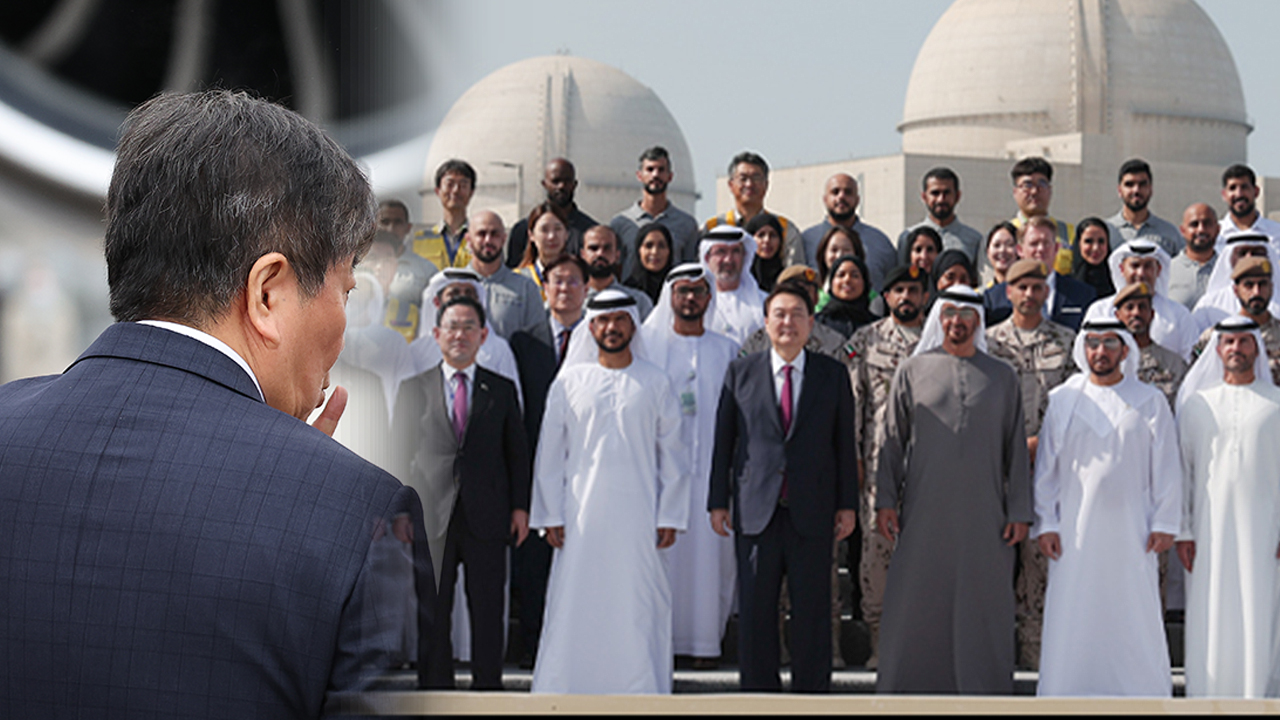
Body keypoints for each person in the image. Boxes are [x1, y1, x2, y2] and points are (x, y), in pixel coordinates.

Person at [0, 90, 433, 717]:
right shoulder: (361, 515)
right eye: (346, 289)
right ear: (267, 293)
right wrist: (307, 486)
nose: (348, 321)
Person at [530, 290, 689, 694]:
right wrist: (550, 515)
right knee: (575, 603)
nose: (612, 327)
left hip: (640, 518)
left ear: (633, 325)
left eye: (620, 319)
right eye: (603, 320)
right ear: (591, 326)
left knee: (636, 602)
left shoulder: (656, 381)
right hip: (580, 520)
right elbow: (549, 455)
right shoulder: (569, 381)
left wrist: (670, 515)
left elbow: (673, 456)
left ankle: (639, 690)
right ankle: (566, 688)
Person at [876, 285, 1032, 694]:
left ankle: (984, 689)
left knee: (983, 602)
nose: (956, 322)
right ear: (938, 319)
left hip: (987, 514)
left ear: (979, 320)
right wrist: (886, 501)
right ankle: (909, 688)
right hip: (924, 510)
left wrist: (1019, 510)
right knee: (917, 600)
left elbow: (1015, 445)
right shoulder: (912, 370)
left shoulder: (1003, 375)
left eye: (966, 315)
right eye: (949, 314)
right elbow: (891, 439)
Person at [710, 284, 858, 692]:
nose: (788, 322)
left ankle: (811, 695)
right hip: (756, 510)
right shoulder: (741, 372)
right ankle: (759, 694)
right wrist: (717, 501)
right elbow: (724, 441)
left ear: (812, 322)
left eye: (797, 314)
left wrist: (847, 505)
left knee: (812, 610)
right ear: (766, 321)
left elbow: (844, 444)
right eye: (779, 314)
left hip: (812, 509)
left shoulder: (832, 374)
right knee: (757, 610)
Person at [1032, 319, 1180, 696]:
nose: (1100, 351)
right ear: (1083, 347)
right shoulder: (1064, 398)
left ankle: (1140, 694)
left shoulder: (1150, 400)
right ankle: (1067, 691)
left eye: (1109, 343)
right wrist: (1046, 522)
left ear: (1125, 349)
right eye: (1093, 342)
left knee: (1133, 612)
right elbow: (1046, 468)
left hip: (1134, 533)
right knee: (1073, 612)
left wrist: (1165, 520)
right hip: (1073, 535)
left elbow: (1166, 467)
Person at [393, 296, 530, 691]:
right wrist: (399, 511)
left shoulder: (501, 390)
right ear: (436, 335)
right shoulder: (412, 388)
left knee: (488, 608)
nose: (460, 335)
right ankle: (435, 689)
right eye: (452, 326)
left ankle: (489, 687)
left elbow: (517, 453)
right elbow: (399, 450)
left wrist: (520, 508)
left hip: (488, 515)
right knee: (432, 608)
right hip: (429, 516)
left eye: (469, 326)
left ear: (483, 335)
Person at [641, 264, 739, 669]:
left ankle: (704, 646)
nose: (690, 299)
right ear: (670, 297)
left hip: (712, 479)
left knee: (711, 563)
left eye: (699, 292)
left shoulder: (727, 349)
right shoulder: (649, 346)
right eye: (682, 291)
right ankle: (661, 644)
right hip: (661, 476)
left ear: (709, 298)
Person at [1177, 316, 1280, 698]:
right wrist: (1184, 530)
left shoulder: (1277, 405)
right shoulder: (1197, 406)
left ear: (1256, 347)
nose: (1236, 349)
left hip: (1265, 534)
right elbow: (1183, 473)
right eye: (1229, 342)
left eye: (1244, 341)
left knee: (1261, 609)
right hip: (1208, 533)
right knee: (1211, 611)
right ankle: (1209, 694)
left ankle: (1261, 695)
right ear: (1218, 350)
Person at [985, 258, 1078, 669]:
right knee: (994, 563)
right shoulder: (987, 341)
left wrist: (1043, 441)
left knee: (1041, 565)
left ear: (1046, 292)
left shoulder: (1069, 340)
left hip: (1050, 470)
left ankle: (1038, 659)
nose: (1028, 293)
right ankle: (994, 656)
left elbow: (1078, 403)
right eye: (1020, 286)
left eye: (1036, 286)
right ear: (1007, 291)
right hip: (995, 472)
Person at [505, 253, 591, 669]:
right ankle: (534, 645)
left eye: (574, 281)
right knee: (535, 560)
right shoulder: (525, 341)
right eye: (557, 281)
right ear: (545, 287)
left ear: (586, 289)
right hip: (537, 461)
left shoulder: (603, 336)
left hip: (589, 467)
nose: (565, 288)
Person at [846, 263, 927, 669]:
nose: (905, 298)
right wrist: (855, 458)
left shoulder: (940, 338)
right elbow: (853, 403)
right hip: (880, 465)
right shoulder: (866, 339)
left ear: (924, 296)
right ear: (886, 296)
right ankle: (879, 642)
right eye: (898, 291)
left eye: (913, 290)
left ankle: (922, 642)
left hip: (932, 467)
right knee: (877, 555)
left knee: (926, 555)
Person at [1083, 238, 1198, 360]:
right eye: (1135, 265)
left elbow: (1189, 361)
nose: (1141, 273)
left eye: (1148, 266)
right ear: (1121, 269)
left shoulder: (1179, 315)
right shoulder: (1100, 311)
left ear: (1158, 270)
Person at [986, 216, 1096, 330]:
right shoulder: (995, 298)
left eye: (1046, 243)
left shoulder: (1083, 294)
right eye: (1034, 243)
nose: (1041, 249)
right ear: (1019, 250)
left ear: (1056, 248)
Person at [704, 151, 805, 266]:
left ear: (766, 185)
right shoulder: (713, 227)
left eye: (756, 178)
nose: (749, 184)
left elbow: (793, 274)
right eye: (743, 178)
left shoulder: (785, 229)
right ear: (731, 185)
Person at [1190, 255, 1280, 385]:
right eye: (1249, 285)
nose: (1256, 292)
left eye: (1262, 284)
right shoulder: (1214, 337)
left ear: (1271, 288)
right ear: (1236, 291)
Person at [610, 146, 699, 275]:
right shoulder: (621, 224)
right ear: (639, 176)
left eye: (661, 170)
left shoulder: (686, 224)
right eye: (650, 169)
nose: (655, 175)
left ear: (670, 176)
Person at [801, 173, 896, 290]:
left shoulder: (880, 242)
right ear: (825, 199)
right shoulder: (806, 241)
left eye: (848, 192)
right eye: (835, 192)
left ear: (857, 200)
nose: (841, 196)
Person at [464, 210, 545, 340]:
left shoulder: (526, 288)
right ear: (468, 239)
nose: (488, 240)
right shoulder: (452, 284)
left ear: (504, 239)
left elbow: (538, 341)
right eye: (481, 234)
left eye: (494, 234)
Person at [505, 158, 598, 267]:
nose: (561, 186)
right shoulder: (523, 229)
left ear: (574, 184)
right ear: (544, 184)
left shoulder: (590, 231)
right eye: (556, 181)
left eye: (567, 181)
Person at [1114, 282, 1188, 410]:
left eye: (1142, 307)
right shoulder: (1111, 363)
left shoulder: (1173, 363)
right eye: (1129, 308)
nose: (1136, 313)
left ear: (1152, 314)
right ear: (1118, 316)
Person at [1191, 233, 1280, 331]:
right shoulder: (1209, 304)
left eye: (1257, 253)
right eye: (1242, 253)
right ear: (1230, 258)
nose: (1249, 258)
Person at [898, 167, 984, 265]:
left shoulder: (974, 240)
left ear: (957, 196)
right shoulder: (907, 237)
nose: (941, 199)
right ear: (924, 197)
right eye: (935, 193)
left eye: (946, 193)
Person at [700, 225, 766, 344]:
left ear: (744, 257)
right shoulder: (695, 303)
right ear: (706, 257)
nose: (728, 260)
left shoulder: (763, 302)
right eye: (721, 252)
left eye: (735, 251)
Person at [1009, 156, 1075, 274]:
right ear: (1015, 192)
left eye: (1042, 184)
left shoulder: (1069, 233)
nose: (1034, 191)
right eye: (1027, 185)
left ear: (1050, 190)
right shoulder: (1004, 234)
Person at [1105, 158, 1183, 257]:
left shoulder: (1170, 233)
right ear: (1120, 190)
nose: (1136, 190)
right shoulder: (1107, 231)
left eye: (1142, 184)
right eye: (1129, 184)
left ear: (1150, 189)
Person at [409, 159, 475, 270]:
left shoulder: (481, 239)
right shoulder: (418, 240)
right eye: (450, 184)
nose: (455, 190)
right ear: (437, 191)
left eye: (463, 185)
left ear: (471, 192)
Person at [580, 224, 654, 318]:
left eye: (607, 248)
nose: (600, 253)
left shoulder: (639, 302)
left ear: (617, 255)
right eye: (594, 248)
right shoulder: (571, 301)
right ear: (583, 254)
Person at [1167, 202, 1220, 310]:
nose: (1201, 229)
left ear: (1218, 229)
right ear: (1182, 231)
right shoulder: (1167, 270)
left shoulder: (1229, 270)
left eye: (1207, 223)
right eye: (1194, 224)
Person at [1218, 164, 1280, 251]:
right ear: (1224, 195)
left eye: (1244, 187)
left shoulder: (1276, 232)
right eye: (1232, 188)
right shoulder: (1214, 234)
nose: (1239, 194)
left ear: (1256, 192)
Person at [516, 202, 572, 298]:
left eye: (557, 229)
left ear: (566, 234)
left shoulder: (577, 278)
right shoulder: (518, 279)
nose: (552, 236)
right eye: (544, 230)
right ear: (531, 235)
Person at [816, 255, 877, 339]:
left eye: (855, 276)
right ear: (831, 283)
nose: (847, 279)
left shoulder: (878, 327)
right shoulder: (816, 324)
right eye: (841, 275)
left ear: (865, 283)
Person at [625, 221, 675, 304]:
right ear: (639, 250)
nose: (655, 252)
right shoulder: (628, 291)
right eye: (648, 246)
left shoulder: (678, 286)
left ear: (669, 251)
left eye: (661, 246)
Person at [1070, 217, 1115, 299]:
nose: (1095, 248)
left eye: (1101, 241)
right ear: (1078, 244)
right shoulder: (1065, 285)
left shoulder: (1118, 283)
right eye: (1088, 241)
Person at [745, 211, 786, 292]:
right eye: (761, 235)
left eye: (773, 235)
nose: (767, 240)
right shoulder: (741, 279)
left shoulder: (786, 279)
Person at [815, 225, 865, 291]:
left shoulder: (872, 298)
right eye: (834, 250)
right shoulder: (814, 295)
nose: (839, 255)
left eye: (846, 250)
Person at [983, 221, 1019, 288]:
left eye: (1009, 245)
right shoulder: (981, 295)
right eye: (997, 245)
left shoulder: (1027, 293)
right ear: (988, 252)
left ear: (1019, 250)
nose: (1002, 250)